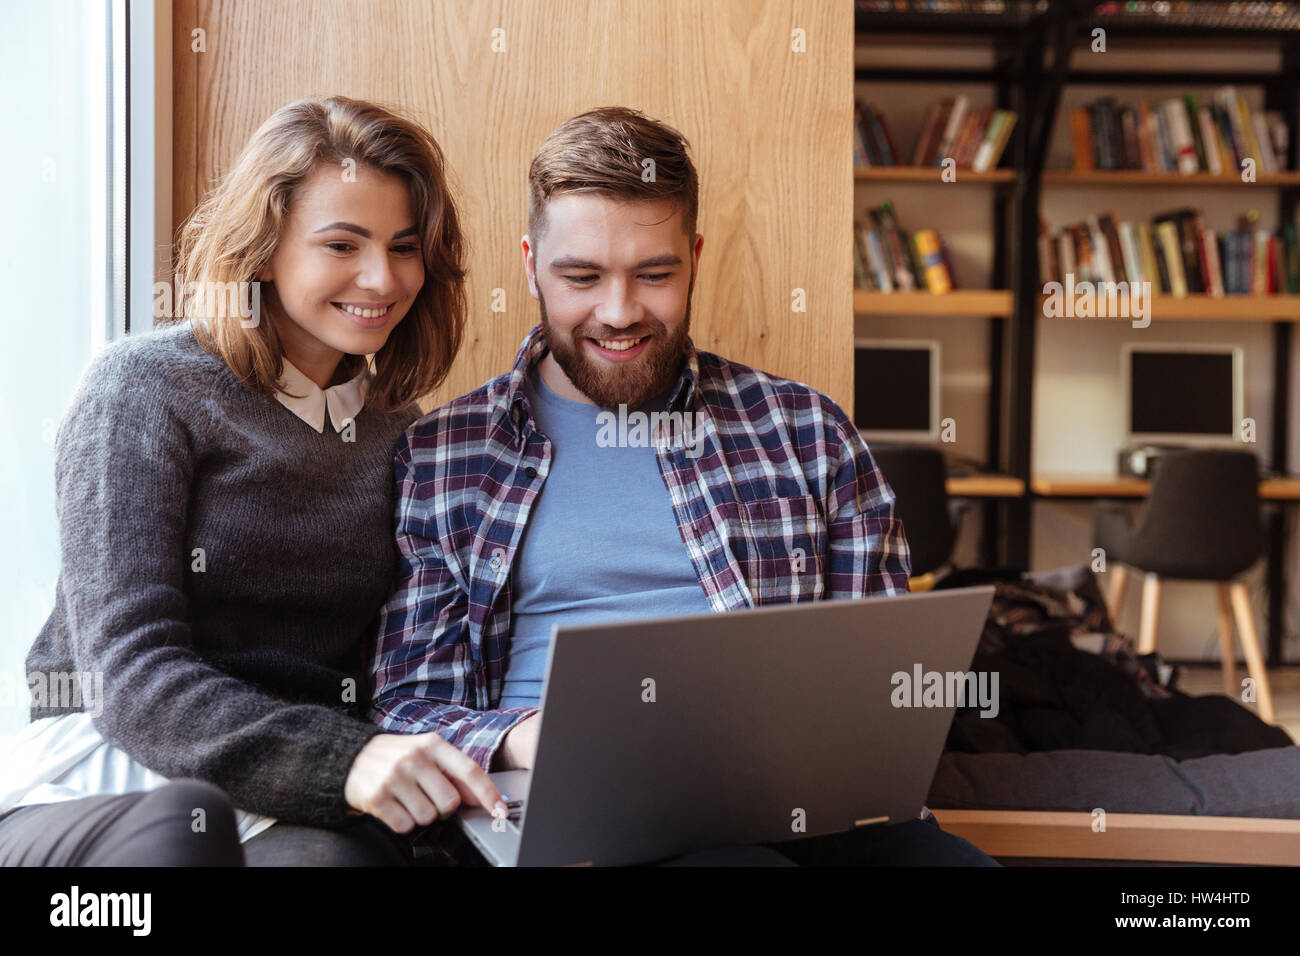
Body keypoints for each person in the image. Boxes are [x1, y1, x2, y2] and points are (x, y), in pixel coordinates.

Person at [368, 107, 996, 866]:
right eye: (582, 276)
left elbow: (889, 675)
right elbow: (406, 705)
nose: (620, 311)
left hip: (815, 808)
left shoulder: (806, 431)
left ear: (694, 258)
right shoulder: (445, 456)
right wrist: (536, 737)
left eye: (655, 274)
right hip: (582, 811)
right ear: (531, 263)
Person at [0, 95, 507, 866]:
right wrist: (341, 759)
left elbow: (399, 665)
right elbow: (126, 675)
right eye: (343, 244)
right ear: (264, 249)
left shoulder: (400, 431)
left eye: (405, 248)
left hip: (306, 791)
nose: (381, 278)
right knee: (182, 839)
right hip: (111, 768)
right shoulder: (143, 389)